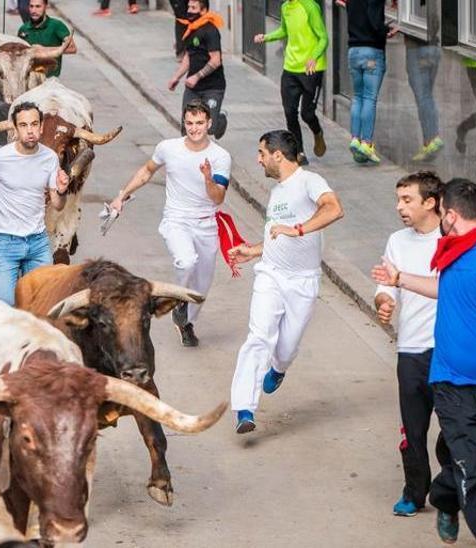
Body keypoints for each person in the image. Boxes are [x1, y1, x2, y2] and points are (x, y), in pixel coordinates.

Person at [372, 178, 476, 545]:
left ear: (450, 215)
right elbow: (443, 288)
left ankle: (444, 496)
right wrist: (399, 281)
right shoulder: (450, 251)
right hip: (453, 384)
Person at [227, 129, 343, 433]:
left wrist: (300, 229)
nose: (258, 160)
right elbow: (277, 237)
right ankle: (244, 409)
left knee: (287, 347)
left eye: (262, 154)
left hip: (304, 281)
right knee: (258, 337)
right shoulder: (277, 190)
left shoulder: (309, 181)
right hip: (271, 275)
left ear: (278, 155)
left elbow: (334, 208)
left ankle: (278, 369)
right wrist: (253, 251)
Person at [109, 102, 232, 346]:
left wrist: (208, 178)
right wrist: (121, 196)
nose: (194, 128)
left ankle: (186, 321)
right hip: (176, 219)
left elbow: (218, 197)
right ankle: (178, 303)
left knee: (202, 289)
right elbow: (146, 171)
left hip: (206, 224)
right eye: (189, 123)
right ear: (183, 123)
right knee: (186, 261)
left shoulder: (220, 157)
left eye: (199, 123)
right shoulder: (168, 148)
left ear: (209, 124)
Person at [371, 171, 442, 518]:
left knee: (457, 428)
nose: (400, 206)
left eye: (407, 200)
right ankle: (415, 493)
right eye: (398, 199)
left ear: (430, 202)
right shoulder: (397, 240)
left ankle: (451, 489)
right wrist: (383, 301)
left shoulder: (453, 239)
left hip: (449, 352)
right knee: (412, 431)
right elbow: (386, 285)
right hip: (410, 350)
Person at [0, 102, 67, 305]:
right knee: (3, 307)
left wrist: (62, 190)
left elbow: (58, 204)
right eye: (24, 125)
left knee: (41, 307)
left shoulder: (50, 158)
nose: (30, 131)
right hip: (4, 244)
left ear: (41, 127)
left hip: (37, 244)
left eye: (34, 124)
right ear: (15, 129)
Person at [255, 0, 329, 163]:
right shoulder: (285, 7)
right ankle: (299, 152)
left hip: (311, 69)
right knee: (290, 113)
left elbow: (323, 38)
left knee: (307, 114)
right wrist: (266, 37)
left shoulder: (310, 6)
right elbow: (283, 31)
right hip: (290, 68)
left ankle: (317, 132)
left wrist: (313, 57)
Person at [344, 0, 396, 164]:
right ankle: (366, 143)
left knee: (357, 97)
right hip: (371, 52)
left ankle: (355, 139)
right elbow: (374, 23)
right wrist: (387, 31)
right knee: (369, 98)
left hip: (353, 51)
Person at [167, 0, 227, 138]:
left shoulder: (210, 31)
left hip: (213, 88)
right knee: (187, 126)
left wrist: (197, 76)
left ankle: (220, 120)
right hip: (193, 89)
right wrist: (176, 77)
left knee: (209, 128)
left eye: (193, 8)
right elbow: (189, 56)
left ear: (203, 10)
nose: (189, 11)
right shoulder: (191, 28)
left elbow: (216, 60)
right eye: (189, 7)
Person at [406, 35, 444, 162]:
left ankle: (432, 139)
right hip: (434, 48)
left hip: (417, 48)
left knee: (423, 97)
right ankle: (428, 144)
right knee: (427, 96)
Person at [17, 0, 74, 78]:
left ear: (46, 6)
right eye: (31, 6)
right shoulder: (23, 29)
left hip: (50, 80)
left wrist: (44, 49)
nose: (34, 10)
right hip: (28, 78)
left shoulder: (57, 25)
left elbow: (72, 48)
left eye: (38, 6)